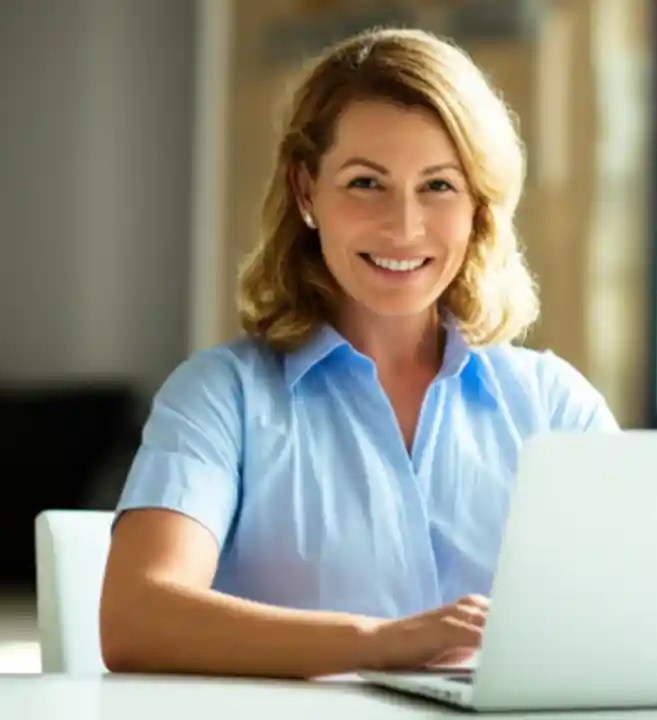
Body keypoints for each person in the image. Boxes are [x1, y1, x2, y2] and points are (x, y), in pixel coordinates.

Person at [99, 27, 618, 679]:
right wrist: (382, 642)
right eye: (366, 183)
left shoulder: (553, 404)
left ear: (479, 206)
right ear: (306, 190)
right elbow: (136, 619)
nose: (404, 226)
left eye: (438, 186)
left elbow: (637, 605)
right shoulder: (219, 395)